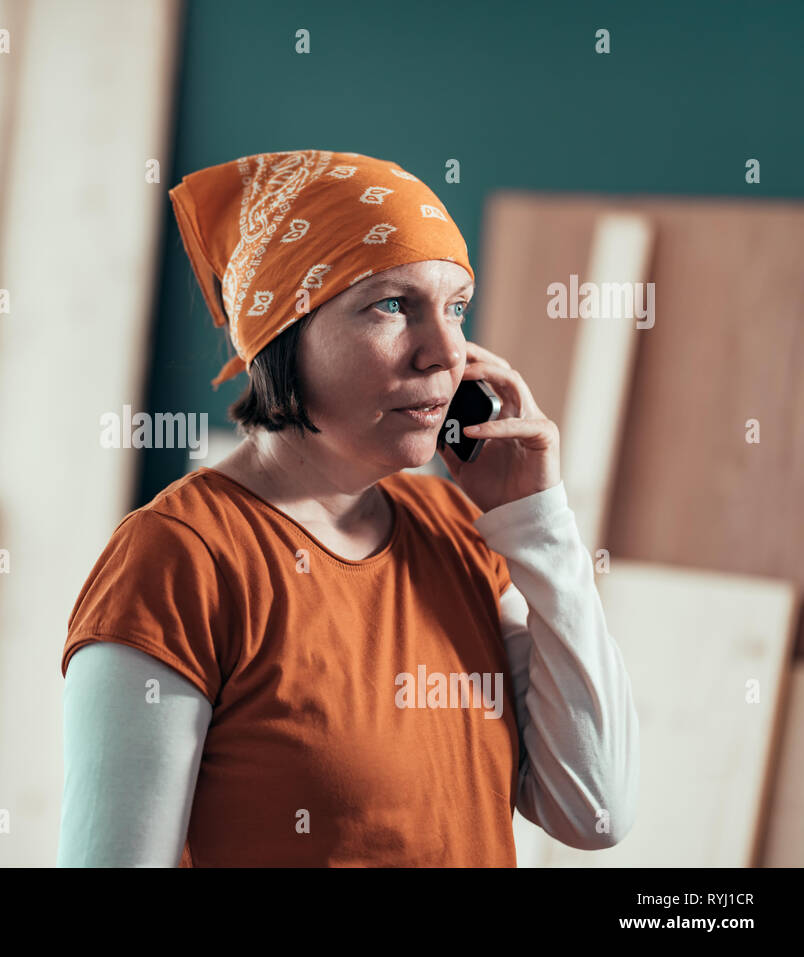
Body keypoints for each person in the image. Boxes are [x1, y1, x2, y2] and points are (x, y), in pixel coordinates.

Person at [57, 149, 640, 867]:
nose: (445, 353)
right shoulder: (180, 556)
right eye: (392, 305)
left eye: (456, 307)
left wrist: (539, 523)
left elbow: (595, 808)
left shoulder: (457, 531)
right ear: (282, 332)